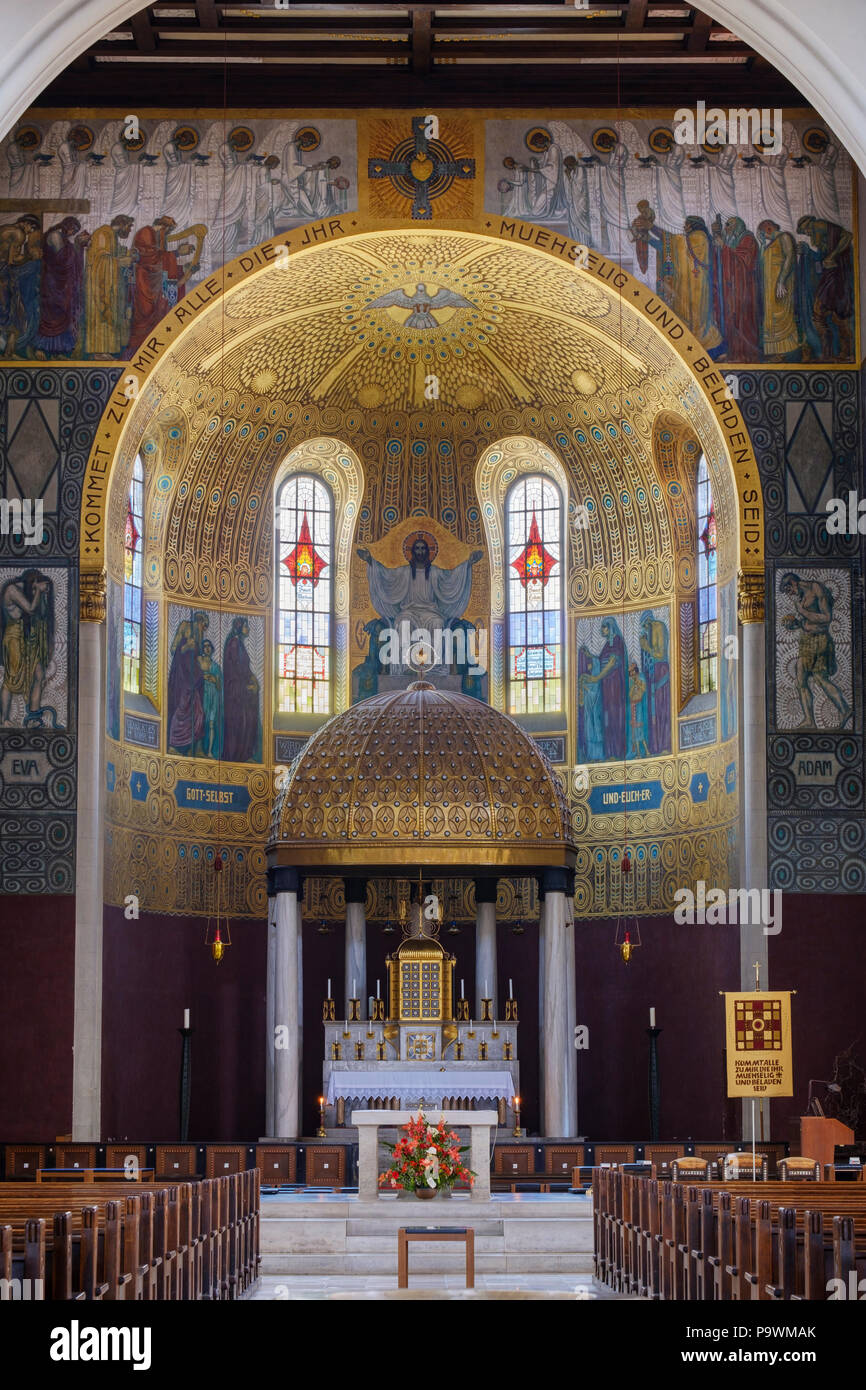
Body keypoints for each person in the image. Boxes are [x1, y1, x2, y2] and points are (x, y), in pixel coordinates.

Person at [357, 534, 482, 675]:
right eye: (417, 548)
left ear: (429, 551)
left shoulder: (434, 572)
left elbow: (451, 579)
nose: (420, 551)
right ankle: (406, 667)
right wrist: (371, 561)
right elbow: (387, 576)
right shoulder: (405, 572)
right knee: (403, 622)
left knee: (438, 623)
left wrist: (468, 564)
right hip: (409, 611)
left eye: (423, 548)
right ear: (412, 551)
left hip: (431, 612)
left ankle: (433, 669)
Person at [779, 573, 851, 729]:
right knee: (800, 681)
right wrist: (797, 623)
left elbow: (826, 618)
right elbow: (809, 622)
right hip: (806, 642)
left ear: (793, 583)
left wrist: (803, 613)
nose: (791, 594)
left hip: (820, 641)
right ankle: (809, 720)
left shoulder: (815, 588)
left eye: (789, 590)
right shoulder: (802, 597)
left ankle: (844, 709)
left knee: (820, 678)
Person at [129, 215, 196, 353]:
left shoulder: (158, 237)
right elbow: (150, 259)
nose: (167, 235)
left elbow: (161, 261)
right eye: (168, 231)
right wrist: (177, 252)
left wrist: (182, 266)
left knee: (158, 312)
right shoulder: (146, 233)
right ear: (163, 227)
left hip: (155, 281)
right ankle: (139, 348)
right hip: (144, 280)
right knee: (145, 312)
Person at [796, 216, 854, 360]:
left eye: (806, 229)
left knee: (829, 314)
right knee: (826, 314)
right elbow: (820, 260)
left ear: (810, 223)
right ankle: (832, 353)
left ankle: (841, 352)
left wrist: (833, 256)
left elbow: (848, 236)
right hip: (830, 276)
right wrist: (808, 251)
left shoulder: (818, 225)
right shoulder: (821, 238)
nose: (808, 233)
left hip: (837, 276)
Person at [0, 569, 53, 726]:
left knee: (39, 674)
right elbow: (30, 609)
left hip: (26, 638)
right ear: (31, 582)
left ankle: (34, 715)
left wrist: (42, 594)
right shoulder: (12, 590)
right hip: (13, 638)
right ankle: (4, 719)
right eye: (34, 586)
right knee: (11, 679)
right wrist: (38, 591)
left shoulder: (27, 590)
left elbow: (40, 613)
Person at [35, 217, 89, 357]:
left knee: (64, 315)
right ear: (66, 225)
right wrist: (77, 244)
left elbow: (69, 257)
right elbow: (62, 260)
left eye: (75, 231)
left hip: (63, 285)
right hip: (53, 284)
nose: (72, 232)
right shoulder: (55, 235)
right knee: (52, 316)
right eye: (72, 229)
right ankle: (41, 349)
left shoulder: (63, 238)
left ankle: (57, 351)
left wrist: (79, 246)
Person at [83, 215, 135, 358]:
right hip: (98, 285)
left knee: (108, 316)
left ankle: (105, 350)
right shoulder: (103, 233)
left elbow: (112, 254)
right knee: (100, 315)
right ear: (122, 224)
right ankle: (99, 351)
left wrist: (126, 255)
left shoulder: (111, 235)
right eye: (129, 227)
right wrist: (119, 262)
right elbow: (100, 259)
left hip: (108, 283)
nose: (130, 231)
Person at [713, 215, 761, 361]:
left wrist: (724, 248)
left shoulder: (748, 239)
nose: (726, 227)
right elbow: (722, 259)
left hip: (744, 288)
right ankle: (734, 352)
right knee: (731, 318)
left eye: (729, 224)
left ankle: (746, 353)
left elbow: (743, 260)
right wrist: (719, 242)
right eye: (726, 225)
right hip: (732, 288)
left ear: (738, 226)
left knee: (743, 319)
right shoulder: (731, 239)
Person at [167, 610, 208, 754]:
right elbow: (173, 649)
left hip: (194, 677)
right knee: (181, 709)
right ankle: (174, 744)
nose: (204, 629)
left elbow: (197, 657)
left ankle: (193, 747)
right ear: (199, 621)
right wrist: (185, 647)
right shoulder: (185, 626)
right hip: (182, 676)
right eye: (204, 625)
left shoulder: (199, 636)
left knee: (198, 712)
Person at [756, 219, 798, 360]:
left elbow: (790, 257)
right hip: (769, 290)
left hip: (781, 287)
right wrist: (762, 244)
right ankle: (775, 352)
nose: (764, 237)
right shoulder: (770, 245)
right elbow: (761, 263)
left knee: (781, 318)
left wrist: (781, 281)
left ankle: (788, 351)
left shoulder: (784, 237)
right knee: (771, 319)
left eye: (763, 235)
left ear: (768, 229)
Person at [222, 617, 261, 762]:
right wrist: (247, 685)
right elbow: (236, 669)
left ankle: (245, 753)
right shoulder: (234, 644)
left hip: (241, 687)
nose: (248, 629)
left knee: (247, 719)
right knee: (240, 721)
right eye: (246, 626)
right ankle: (239, 754)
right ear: (239, 627)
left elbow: (244, 668)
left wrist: (253, 680)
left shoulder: (239, 644)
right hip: (236, 690)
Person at [639, 611, 671, 756]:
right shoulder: (649, 630)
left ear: (649, 621)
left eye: (645, 625)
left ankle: (664, 744)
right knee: (653, 711)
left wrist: (646, 647)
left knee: (661, 709)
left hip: (661, 671)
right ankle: (655, 746)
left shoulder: (659, 627)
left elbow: (660, 654)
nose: (645, 629)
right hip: (652, 674)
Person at [198, 638, 223, 759]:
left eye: (209, 646)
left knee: (211, 724)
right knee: (201, 722)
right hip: (203, 695)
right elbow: (196, 678)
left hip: (213, 697)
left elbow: (219, 686)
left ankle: (209, 751)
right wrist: (204, 677)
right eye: (205, 646)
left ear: (212, 649)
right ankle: (199, 748)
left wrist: (214, 679)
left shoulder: (216, 667)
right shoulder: (199, 663)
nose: (207, 648)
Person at [627, 662, 649, 759]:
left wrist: (638, 682)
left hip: (639, 705)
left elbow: (644, 689)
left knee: (639, 728)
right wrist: (633, 684)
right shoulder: (632, 681)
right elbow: (630, 695)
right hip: (633, 705)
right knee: (635, 730)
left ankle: (646, 751)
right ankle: (638, 753)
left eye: (632, 672)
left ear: (635, 670)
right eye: (630, 673)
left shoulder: (641, 677)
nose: (631, 674)